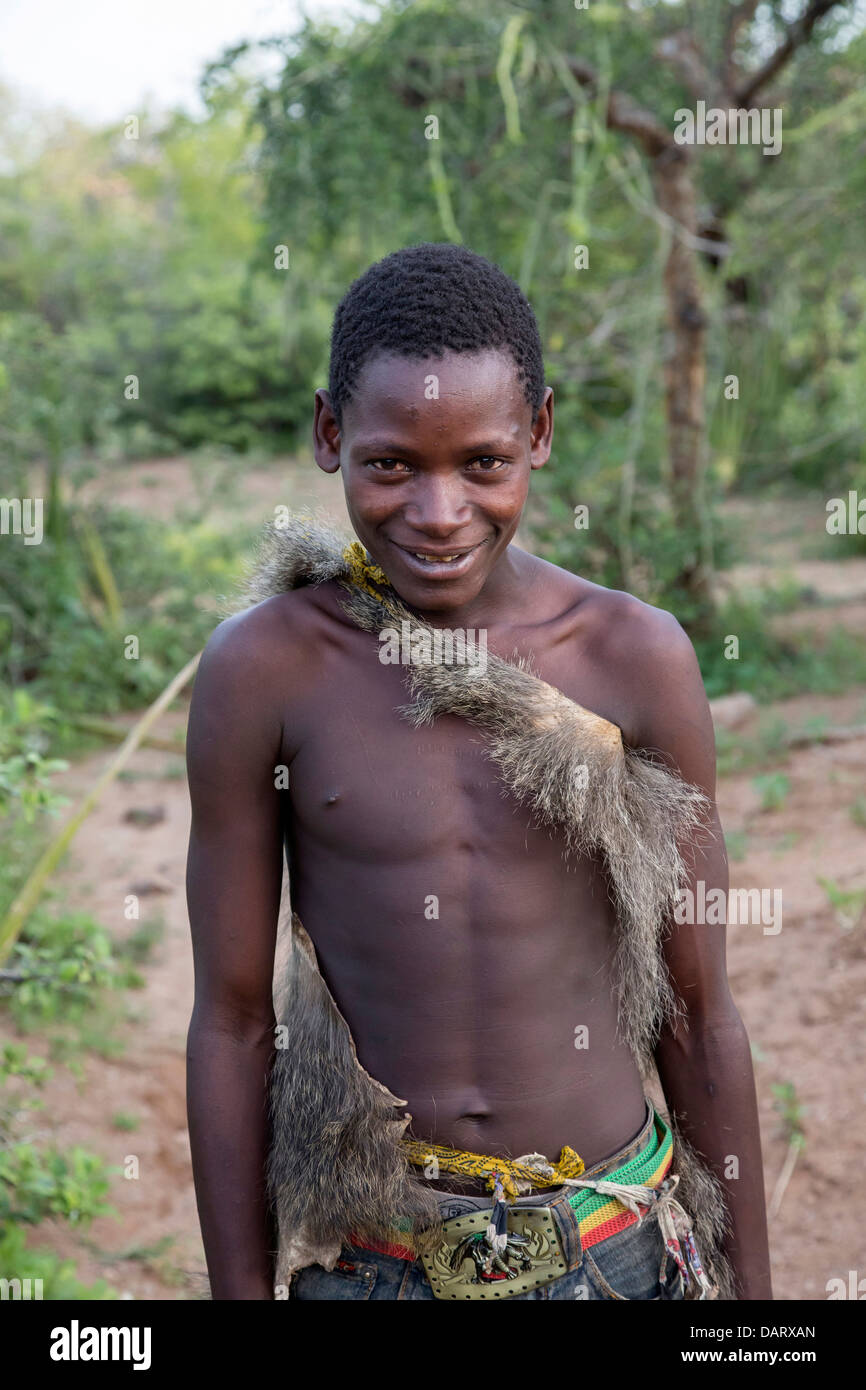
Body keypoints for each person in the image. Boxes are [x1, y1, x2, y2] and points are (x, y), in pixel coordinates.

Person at [185, 242, 772, 1301]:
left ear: (538, 433)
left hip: (607, 1246)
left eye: (483, 464)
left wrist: (752, 1312)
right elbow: (231, 1021)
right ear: (329, 436)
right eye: (392, 464)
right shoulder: (265, 668)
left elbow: (697, 1009)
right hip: (371, 1259)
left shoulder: (630, 657)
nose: (440, 512)